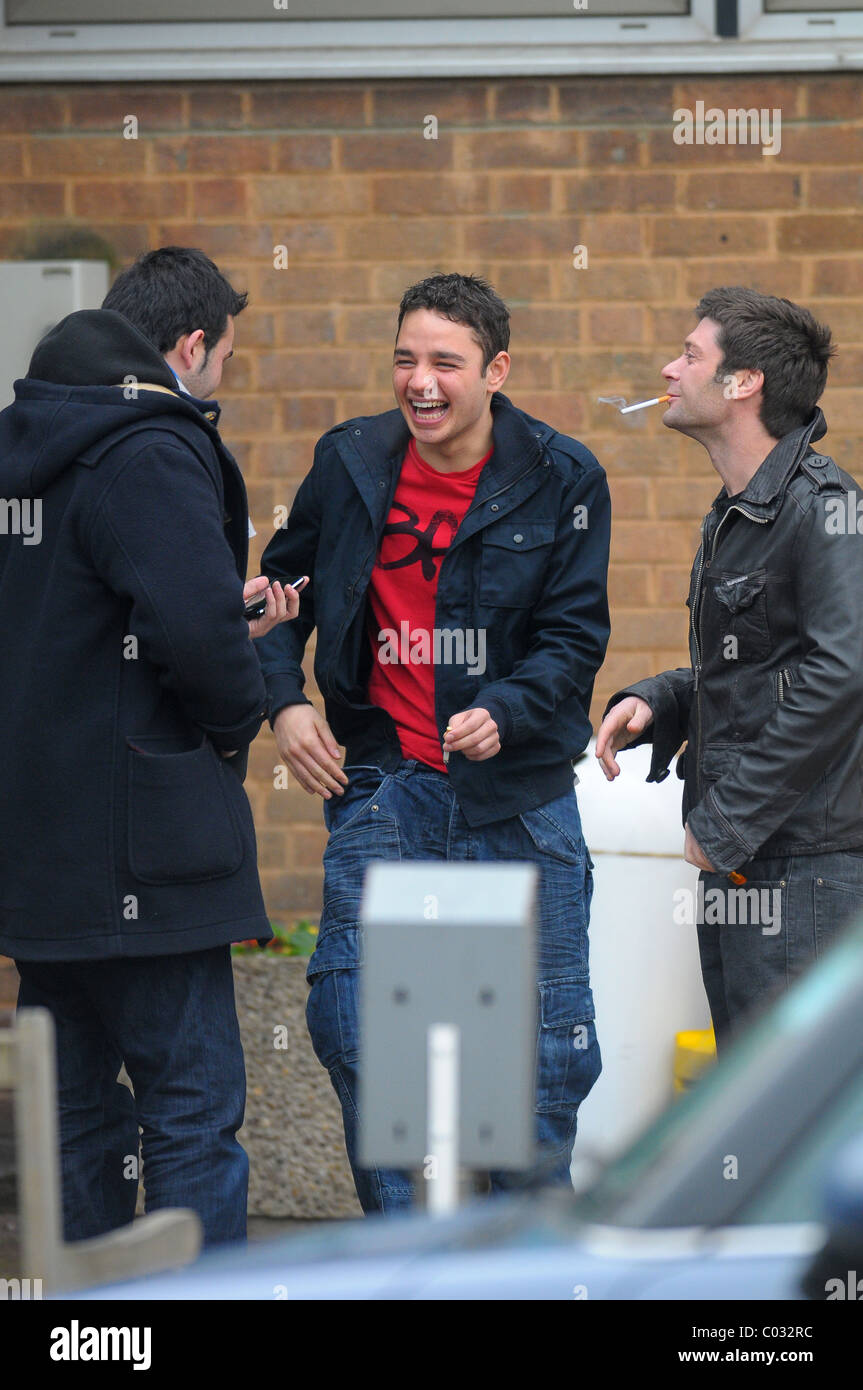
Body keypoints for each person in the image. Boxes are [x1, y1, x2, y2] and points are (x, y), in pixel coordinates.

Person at [255, 272, 611, 1213]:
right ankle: (405, 1265)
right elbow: (274, 596)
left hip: (517, 801)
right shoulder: (350, 463)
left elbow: (574, 638)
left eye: (444, 362)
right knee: (366, 1045)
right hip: (389, 787)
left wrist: (508, 708)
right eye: (405, 358)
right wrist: (284, 705)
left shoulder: (563, 475)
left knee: (532, 1080)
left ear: (495, 370)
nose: (420, 381)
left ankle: (524, 1276)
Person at [0, 247, 298, 1246]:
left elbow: (76, 625)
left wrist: (214, 616)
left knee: (75, 1119)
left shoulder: (19, 441)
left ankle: (87, 1340)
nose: (216, 381)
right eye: (221, 359)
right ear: (190, 343)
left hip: (38, 858)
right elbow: (194, 641)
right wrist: (238, 702)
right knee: (189, 1116)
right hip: (152, 866)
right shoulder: (149, 446)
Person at [596, 286, 863, 1048]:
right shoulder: (735, 512)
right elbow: (762, 667)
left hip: (804, 870)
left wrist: (729, 818)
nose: (667, 370)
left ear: (743, 383)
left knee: (786, 1118)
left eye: (689, 355)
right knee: (745, 1094)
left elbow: (840, 675)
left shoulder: (824, 508)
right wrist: (664, 701)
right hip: (747, 863)